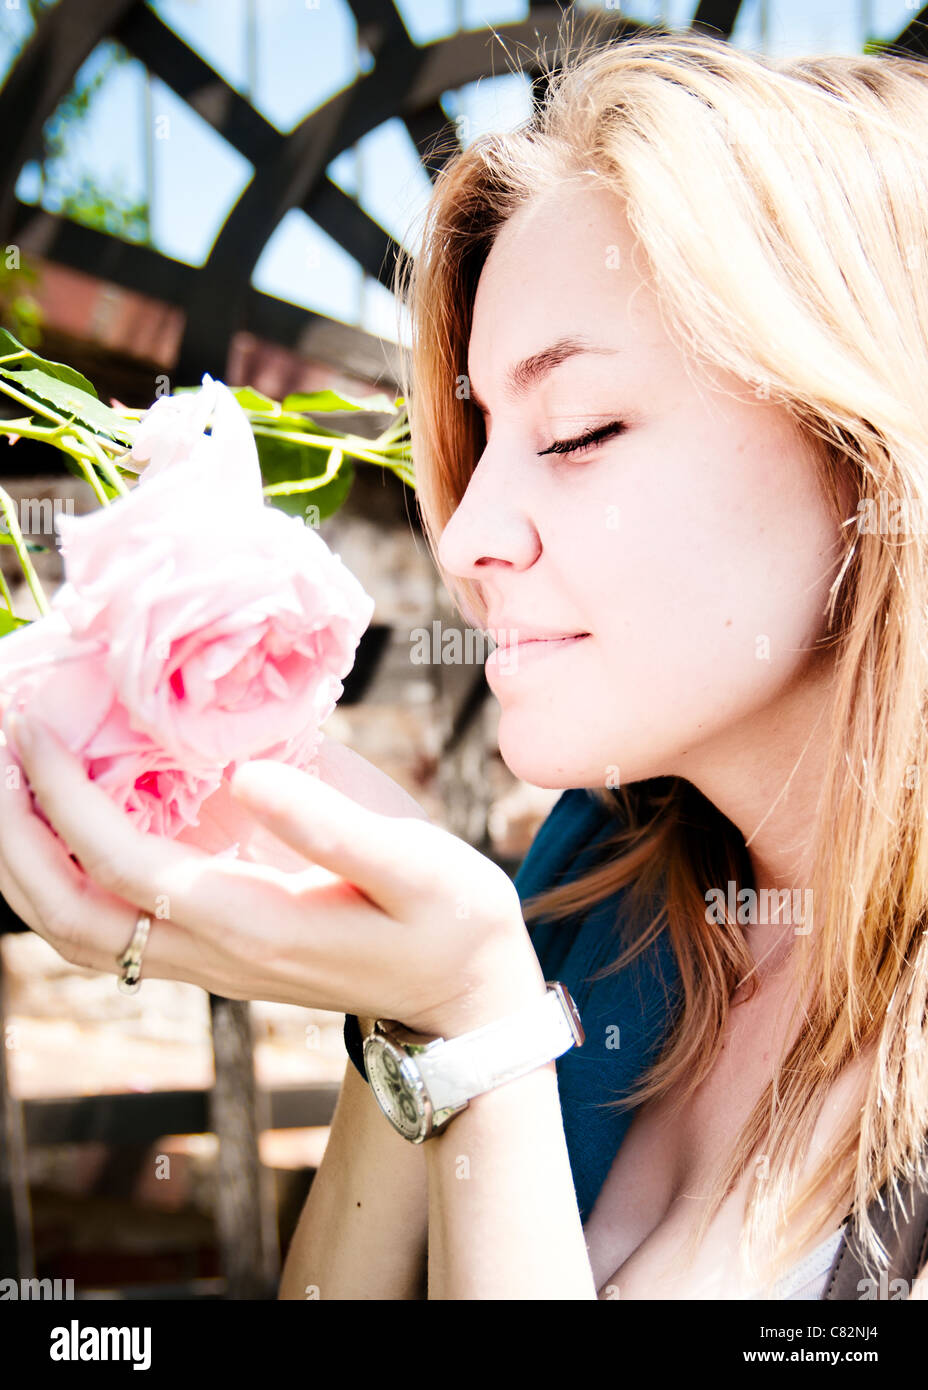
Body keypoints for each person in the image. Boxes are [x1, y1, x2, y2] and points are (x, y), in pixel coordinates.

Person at [1, 20, 927, 1299]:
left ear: (868, 447)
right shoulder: (588, 887)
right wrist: (414, 1005)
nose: (469, 536)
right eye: (482, 435)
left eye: (582, 427)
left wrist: (481, 1039)